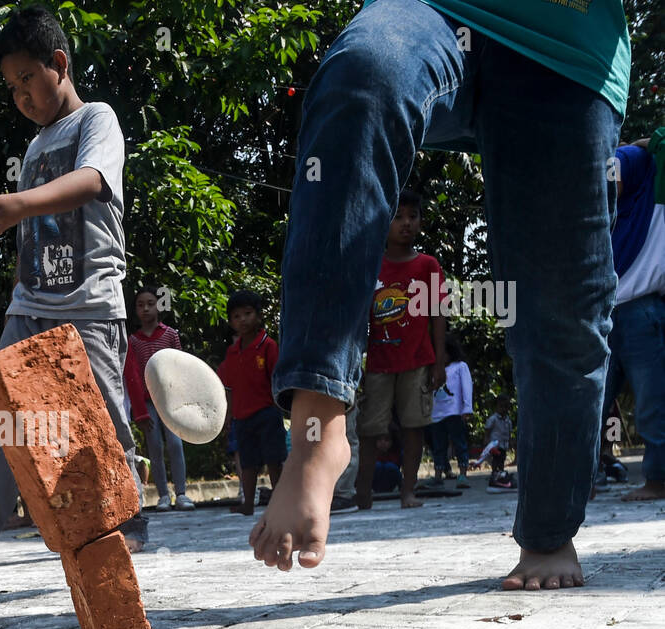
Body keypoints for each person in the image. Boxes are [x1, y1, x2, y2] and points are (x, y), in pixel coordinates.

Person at [251, 0, 627, 590]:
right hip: (433, 12)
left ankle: (550, 531)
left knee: (562, 308)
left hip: (568, 45)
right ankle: (317, 432)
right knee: (364, 77)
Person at [0, 5, 149, 563]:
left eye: (26, 79)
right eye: (11, 87)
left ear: (59, 63)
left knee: (102, 413)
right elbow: (33, 231)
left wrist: (19, 204)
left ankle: (125, 517)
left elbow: (90, 182)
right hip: (30, 302)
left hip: (89, 300)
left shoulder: (97, 120)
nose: (21, 96)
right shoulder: (32, 147)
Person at [354, 189, 446, 510]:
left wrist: (439, 361)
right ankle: (362, 492)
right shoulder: (370, 266)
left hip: (418, 360)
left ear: (420, 222)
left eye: (412, 216)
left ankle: (409, 491)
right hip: (378, 361)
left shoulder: (428, 266)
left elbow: (437, 313)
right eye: (398, 217)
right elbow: (359, 318)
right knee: (369, 428)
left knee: (413, 426)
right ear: (384, 222)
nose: (406, 223)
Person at [603, 131, 665, 502]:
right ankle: (582, 480)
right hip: (611, 308)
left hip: (639, 308)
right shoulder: (634, 159)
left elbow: (608, 173)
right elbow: (606, 173)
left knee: (651, 403)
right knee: (593, 406)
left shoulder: (641, 162)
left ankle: (658, 479)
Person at [216, 291, 287, 517]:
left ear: (258, 315)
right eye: (236, 316)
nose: (243, 320)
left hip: (267, 412)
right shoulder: (231, 352)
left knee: (274, 459)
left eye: (248, 313)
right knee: (247, 463)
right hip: (242, 416)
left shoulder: (268, 346)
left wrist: (280, 409)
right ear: (230, 321)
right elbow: (228, 388)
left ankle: (280, 500)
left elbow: (277, 380)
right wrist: (227, 418)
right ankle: (248, 503)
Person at [125, 286, 192, 511]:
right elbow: (132, 376)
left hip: (170, 400)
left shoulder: (170, 335)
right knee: (154, 447)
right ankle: (163, 495)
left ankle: (181, 493)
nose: (145, 308)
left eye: (150, 303)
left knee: (175, 443)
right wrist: (139, 412)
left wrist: (183, 401)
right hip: (147, 402)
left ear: (159, 305)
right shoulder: (132, 341)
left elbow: (181, 367)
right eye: (140, 305)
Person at [427, 334, 473, 488]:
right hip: (436, 415)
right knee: (438, 446)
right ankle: (438, 475)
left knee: (460, 443)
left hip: (454, 412)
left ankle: (462, 474)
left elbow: (467, 388)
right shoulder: (431, 371)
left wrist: (467, 408)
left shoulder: (460, 367)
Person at [476, 394, 515, 491]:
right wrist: (486, 440)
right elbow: (488, 430)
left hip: (503, 444)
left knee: (502, 458)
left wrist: (510, 442)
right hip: (495, 444)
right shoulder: (493, 419)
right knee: (496, 459)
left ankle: (501, 473)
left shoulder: (508, 421)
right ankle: (494, 473)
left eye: (506, 407)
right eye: (501, 406)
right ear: (497, 406)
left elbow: (509, 433)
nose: (503, 409)